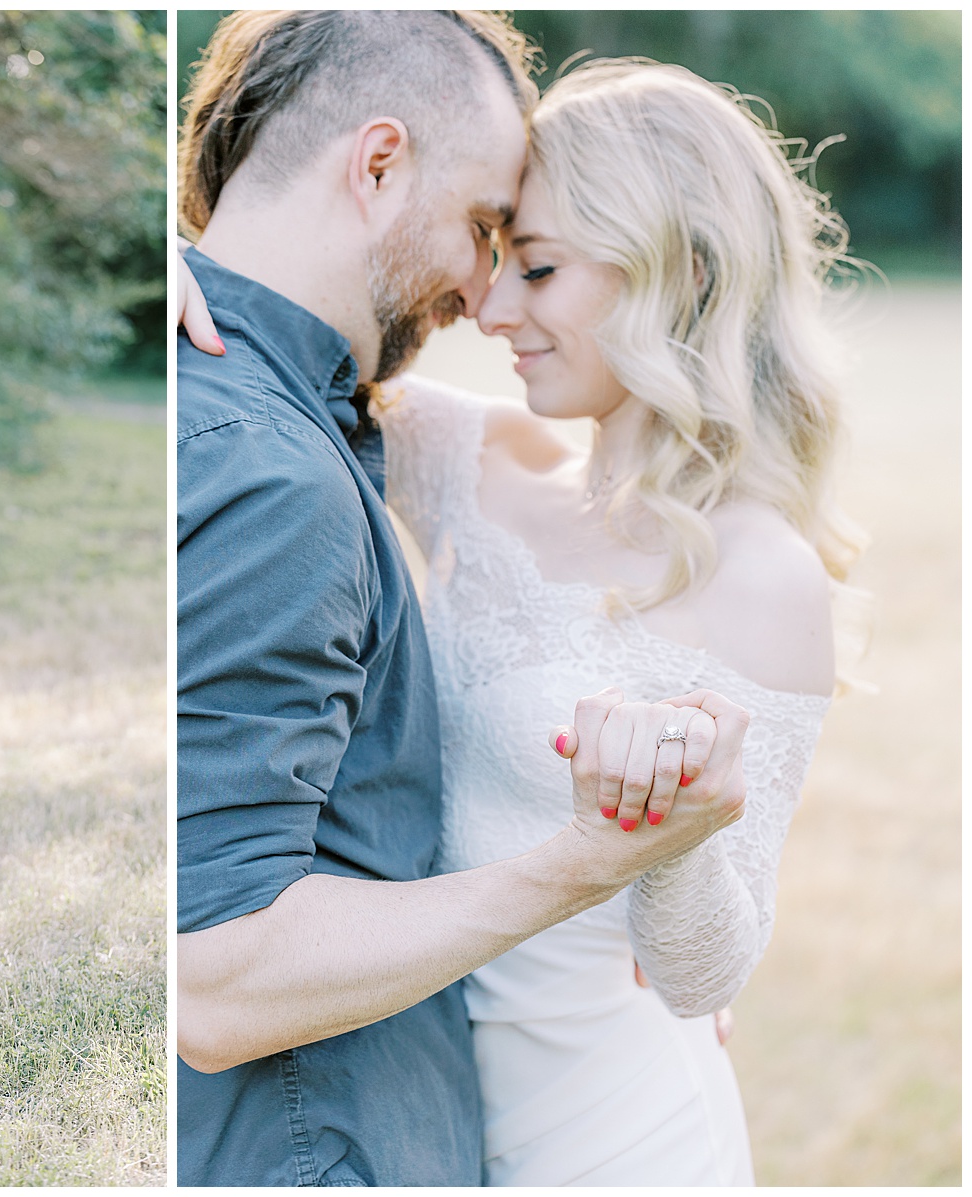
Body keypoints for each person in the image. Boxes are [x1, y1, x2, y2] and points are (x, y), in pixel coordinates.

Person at [181, 49, 863, 1186]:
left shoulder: (767, 576)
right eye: (494, 255)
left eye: (537, 269)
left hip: (604, 1120)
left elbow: (705, 980)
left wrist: (669, 837)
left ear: (679, 274)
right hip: (414, 1082)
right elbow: (276, 365)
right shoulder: (463, 455)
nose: (489, 307)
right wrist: (177, 270)